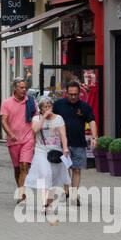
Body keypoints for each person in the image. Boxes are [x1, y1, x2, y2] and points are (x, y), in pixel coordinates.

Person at [24, 94, 69, 224]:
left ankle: (48, 204)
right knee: (46, 174)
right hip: (41, 151)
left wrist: (65, 148)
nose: (48, 108)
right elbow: (34, 130)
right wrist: (43, 117)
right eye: (45, 106)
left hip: (55, 152)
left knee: (53, 180)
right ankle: (45, 204)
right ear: (41, 108)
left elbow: (63, 135)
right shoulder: (36, 118)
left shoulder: (59, 118)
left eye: (49, 106)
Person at [52, 78, 97, 204]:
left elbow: (92, 121)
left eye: (75, 94)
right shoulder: (59, 104)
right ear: (66, 93)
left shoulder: (84, 106)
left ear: (79, 93)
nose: (73, 97)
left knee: (77, 169)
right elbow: (51, 119)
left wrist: (94, 137)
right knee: (64, 168)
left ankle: (74, 194)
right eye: (70, 94)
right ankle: (66, 191)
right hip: (62, 143)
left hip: (79, 143)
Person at [1, 78, 38, 203]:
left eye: (25, 87)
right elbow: (3, 121)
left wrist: (35, 138)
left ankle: (21, 194)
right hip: (13, 140)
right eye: (21, 87)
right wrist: (10, 134)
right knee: (17, 168)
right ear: (15, 88)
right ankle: (20, 188)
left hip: (28, 139)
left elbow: (36, 119)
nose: (24, 90)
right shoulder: (6, 103)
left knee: (24, 166)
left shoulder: (31, 102)